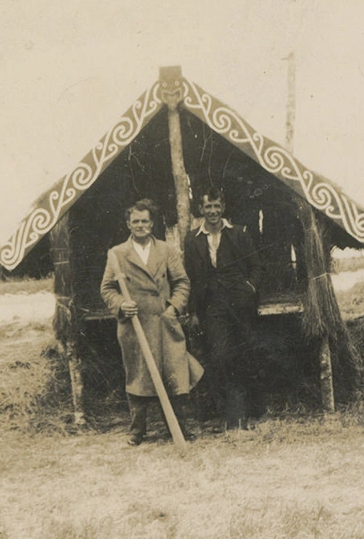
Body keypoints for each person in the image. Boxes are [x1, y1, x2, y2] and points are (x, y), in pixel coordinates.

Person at [101, 199, 203, 445]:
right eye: (135, 221)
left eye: (144, 221)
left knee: (174, 374)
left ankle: (177, 426)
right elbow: (107, 288)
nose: (140, 225)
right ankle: (137, 430)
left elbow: (182, 282)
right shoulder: (117, 254)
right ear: (128, 224)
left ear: (152, 223)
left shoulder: (167, 250)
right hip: (135, 325)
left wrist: (173, 308)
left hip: (164, 323)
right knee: (138, 376)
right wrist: (120, 306)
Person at [184, 188, 264, 430]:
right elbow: (190, 276)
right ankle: (232, 414)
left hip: (240, 303)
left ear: (223, 207)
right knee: (221, 356)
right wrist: (195, 312)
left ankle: (253, 410)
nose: (213, 212)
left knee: (246, 353)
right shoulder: (192, 238)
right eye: (208, 207)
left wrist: (249, 288)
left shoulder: (238, 233)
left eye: (217, 206)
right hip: (212, 305)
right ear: (200, 209)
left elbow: (257, 267)